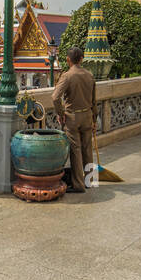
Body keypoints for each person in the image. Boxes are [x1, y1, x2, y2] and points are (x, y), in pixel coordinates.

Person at [54, 44, 98, 190]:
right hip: (87, 115)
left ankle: (79, 185)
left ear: (68, 60)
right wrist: (94, 119)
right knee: (87, 149)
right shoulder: (89, 75)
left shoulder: (67, 76)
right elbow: (94, 101)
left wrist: (61, 114)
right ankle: (90, 181)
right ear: (81, 59)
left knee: (76, 150)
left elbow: (55, 97)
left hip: (72, 117)